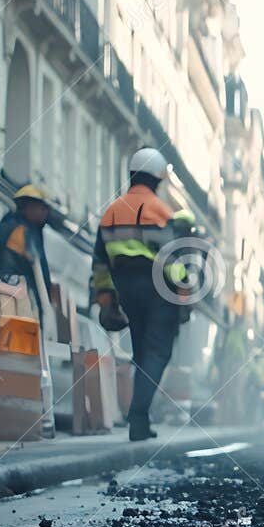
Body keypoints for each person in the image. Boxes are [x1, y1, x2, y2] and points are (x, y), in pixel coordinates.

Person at [91, 147, 187, 442]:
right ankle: (138, 416)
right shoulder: (160, 210)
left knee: (142, 352)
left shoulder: (111, 212)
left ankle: (140, 421)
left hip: (125, 288)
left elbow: (100, 263)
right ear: (158, 178)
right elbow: (171, 260)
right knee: (158, 352)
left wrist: (106, 297)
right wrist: (183, 293)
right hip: (156, 289)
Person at [0, 184, 54, 320]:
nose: (45, 213)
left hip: (15, 305)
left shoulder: (18, 228)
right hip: (19, 307)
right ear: (27, 206)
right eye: (42, 208)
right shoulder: (21, 232)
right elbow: (36, 274)